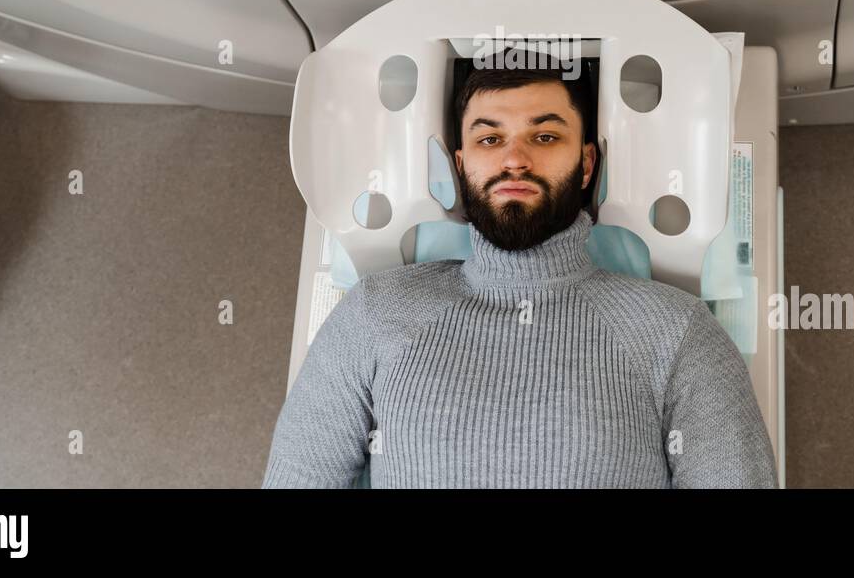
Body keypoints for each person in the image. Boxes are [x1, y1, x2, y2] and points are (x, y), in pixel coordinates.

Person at [261, 49, 777, 488]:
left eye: (545, 137)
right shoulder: (375, 313)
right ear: (460, 166)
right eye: (489, 139)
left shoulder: (675, 330)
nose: (515, 159)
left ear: (588, 164)